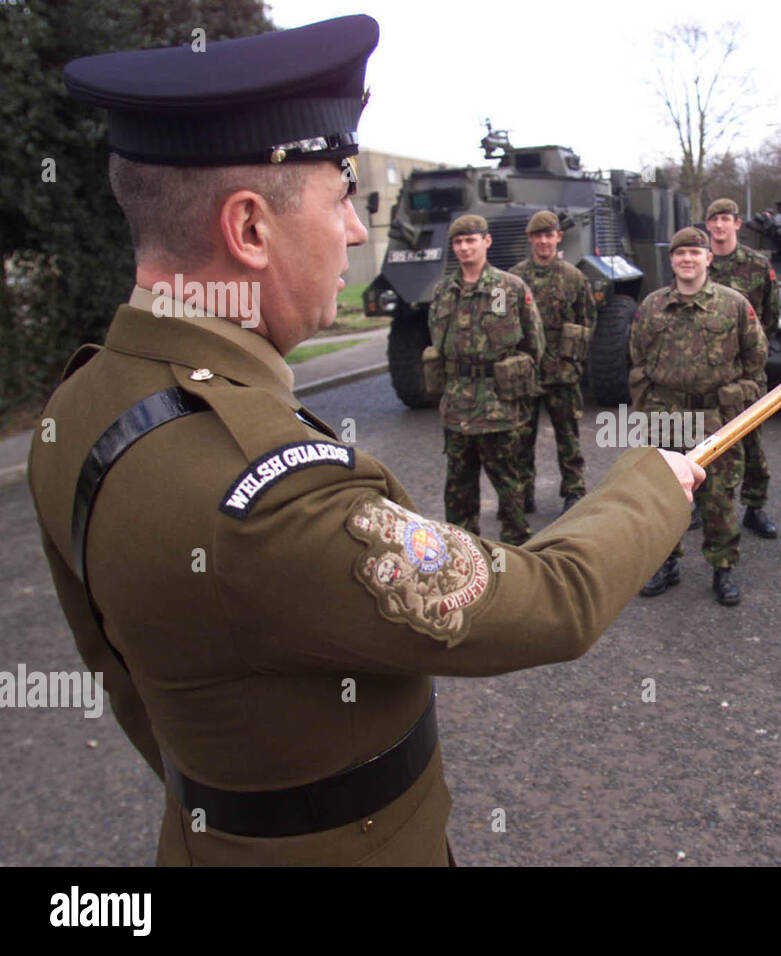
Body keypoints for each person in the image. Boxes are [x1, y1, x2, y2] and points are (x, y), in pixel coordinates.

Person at [27, 15, 703, 866]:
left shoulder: (78, 404)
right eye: (338, 196)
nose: (353, 231)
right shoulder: (277, 497)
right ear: (249, 230)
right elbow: (553, 601)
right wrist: (652, 480)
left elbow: (125, 681)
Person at [630, 227, 768, 606]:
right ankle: (666, 564)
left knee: (719, 497)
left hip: (714, 417)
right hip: (666, 415)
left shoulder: (734, 305)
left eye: (695, 252)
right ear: (671, 260)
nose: (687, 259)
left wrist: (738, 400)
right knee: (663, 495)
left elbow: (755, 359)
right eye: (679, 254)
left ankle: (722, 567)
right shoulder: (652, 306)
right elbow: (638, 357)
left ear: (709, 258)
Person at [427, 214, 543, 545]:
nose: (464, 247)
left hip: (499, 405)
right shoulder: (443, 292)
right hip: (457, 404)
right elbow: (437, 339)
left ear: (486, 242)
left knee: (510, 486)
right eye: (458, 242)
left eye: (471, 240)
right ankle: (464, 555)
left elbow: (534, 344)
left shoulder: (510, 287)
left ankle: (517, 552)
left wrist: (519, 382)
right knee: (458, 490)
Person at [509, 210, 596, 515]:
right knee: (520, 437)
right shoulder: (515, 279)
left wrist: (574, 361)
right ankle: (523, 492)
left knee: (568, 437)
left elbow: (587, 321)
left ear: (558, 237)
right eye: (538, 236)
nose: (544, 241)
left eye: (549, 235)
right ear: (531, 239)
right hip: (526, 373)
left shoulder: (574, 278)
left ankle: (574, 490)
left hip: (562, 373)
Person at [705, 197, 781, 539]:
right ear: (707, 226)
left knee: (751, 441)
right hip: (705, 372)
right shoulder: (699, 261)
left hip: (746, 373)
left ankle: (754, 506)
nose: (720, 225)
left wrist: (749, 358)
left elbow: (771, 318)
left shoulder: (757, 265)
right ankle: (702, 502)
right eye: (714, 220)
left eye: (726, 219)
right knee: (705, 440)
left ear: (737, 224)